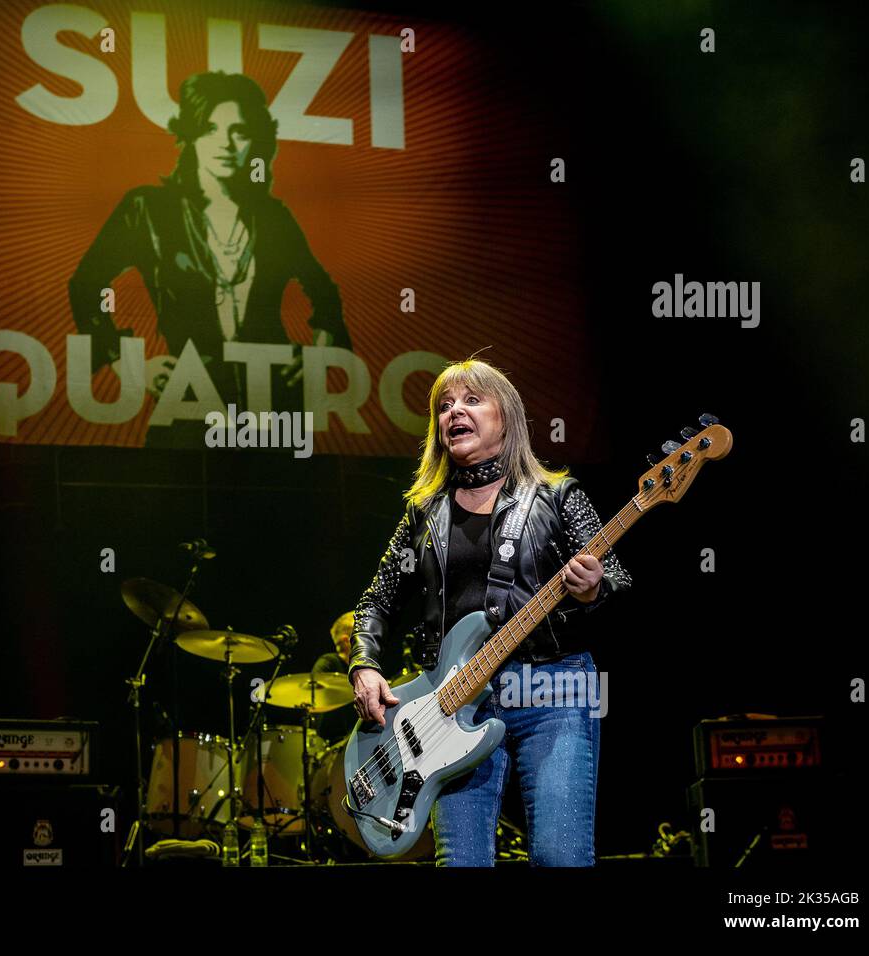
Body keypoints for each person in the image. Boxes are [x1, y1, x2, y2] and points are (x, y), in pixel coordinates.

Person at [349, 357, 632, 866]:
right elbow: (377, 599)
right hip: (451, 704)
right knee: (461, 862)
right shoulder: (424, 513)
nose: (454, 411)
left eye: (472, 399)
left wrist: (594, 590)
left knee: (560, 856)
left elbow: (619, 583)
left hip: (553, 691)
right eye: (444, 405)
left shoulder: (558, 496)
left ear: (508, 418)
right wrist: (364, 664)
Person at [70, 70, 349, 448]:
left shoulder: (272, 217)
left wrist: (317, 353)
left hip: (273, 413)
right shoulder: (148, 209)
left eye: (239, 131)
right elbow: (87, 284)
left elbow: (325, 293)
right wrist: (128, 364)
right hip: (187, 403)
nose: (225, 143)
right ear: (190, 136)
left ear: (255, 140)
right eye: (209, 129)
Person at [311, 611, 356, 742]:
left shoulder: (364, 669)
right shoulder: (329, 663)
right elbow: (313, 699)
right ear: (346, 641)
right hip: (336, 743)